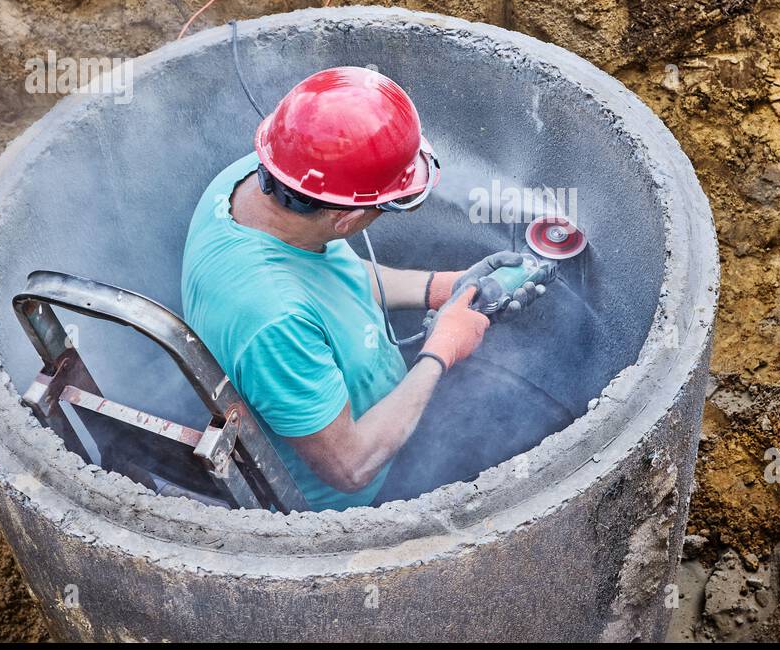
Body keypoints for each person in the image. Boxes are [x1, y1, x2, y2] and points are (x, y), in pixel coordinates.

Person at [181, 67, 540, 511]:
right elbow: (351, 467)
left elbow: (333, 273)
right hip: (351, 499)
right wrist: (439, 352)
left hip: (386, 418)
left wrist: (441, 288)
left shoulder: (257, 181)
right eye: (381, 208)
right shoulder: (271, 319)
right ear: (345, 220)